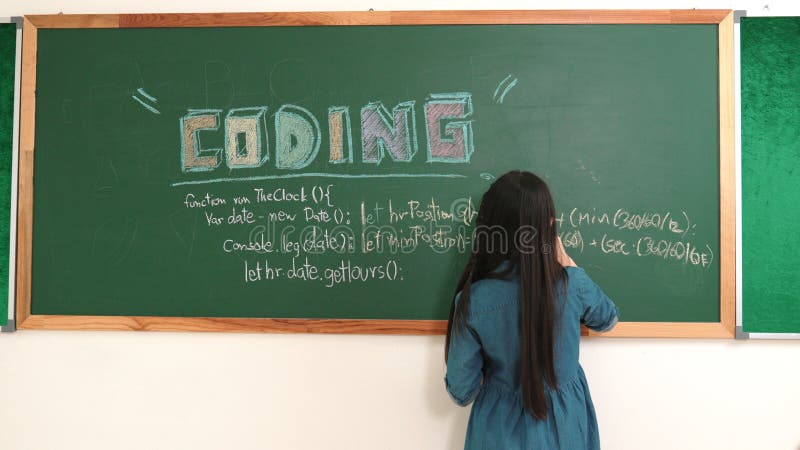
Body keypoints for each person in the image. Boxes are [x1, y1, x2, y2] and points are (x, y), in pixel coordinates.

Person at [444, 170, 619, 449]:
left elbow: (461, 391)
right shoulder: (571, 284)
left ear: (491, 226)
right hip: (566, 429)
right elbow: (607, 319)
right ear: (548, 224)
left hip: (498, 431)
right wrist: (573, 268)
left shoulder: (473, 299)